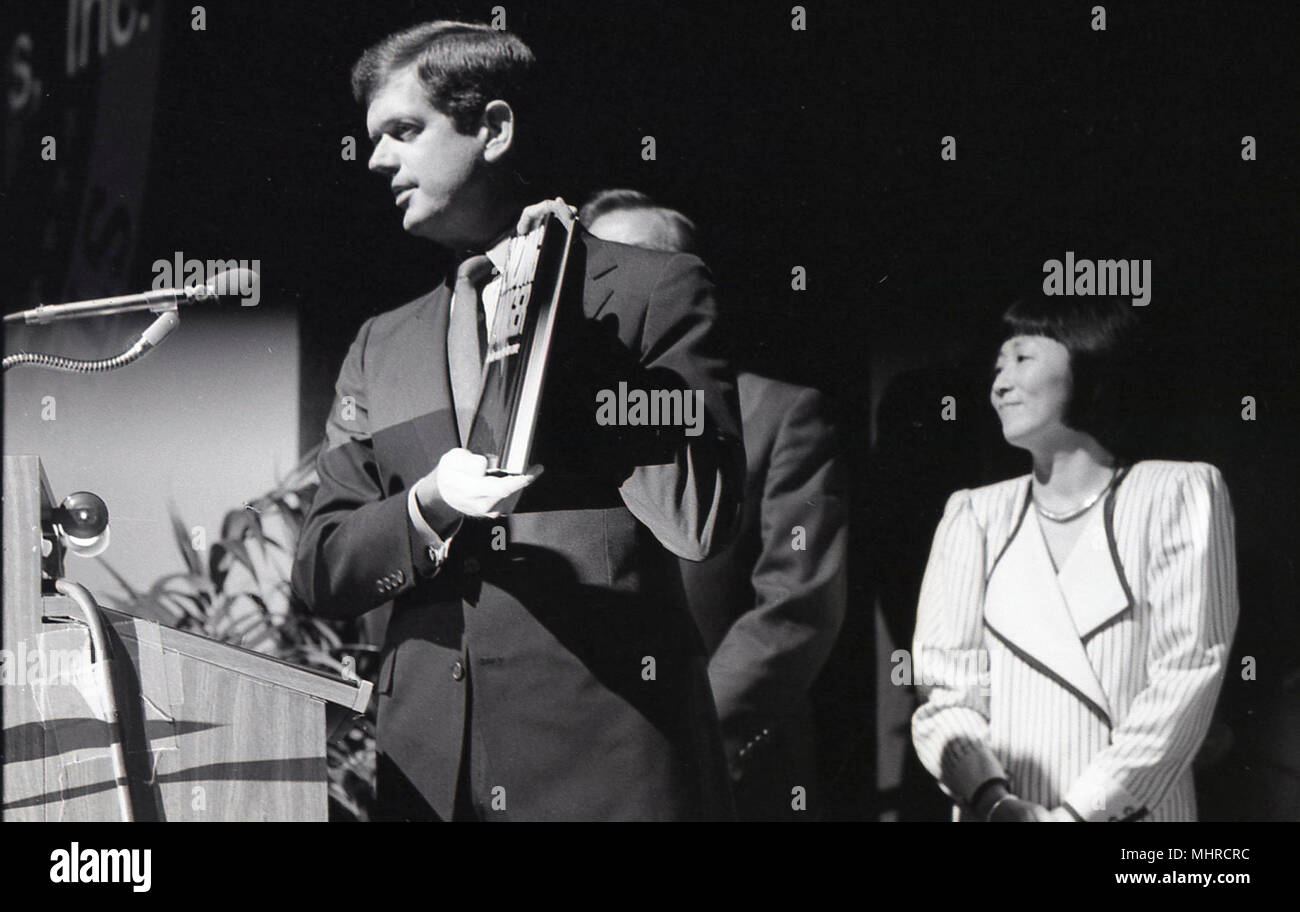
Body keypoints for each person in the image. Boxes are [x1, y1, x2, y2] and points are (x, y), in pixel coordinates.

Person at [291, 22, 745, 821]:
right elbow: (324, 567)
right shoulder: (381, 344)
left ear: (493, 128)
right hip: (429, 774)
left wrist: (575, 351)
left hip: (606, 756)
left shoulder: (648, 291)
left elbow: (700, 517)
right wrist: (426, 506)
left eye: (404, 131)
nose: (376, 160)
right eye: (372, 139)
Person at [910, 296, 1239, 821]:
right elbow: (947, 693)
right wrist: (994, 802)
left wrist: (1075, 815)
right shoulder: (974, 515)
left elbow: (1187, 675)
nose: (999, 384)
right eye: (997, 367)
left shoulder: (1177, 492)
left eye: (1021, 359)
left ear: (1088, 361)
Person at [582, 189, 848, 820]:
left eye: (638, 260)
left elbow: (797, 603)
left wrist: (695, 730)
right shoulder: (551, 430)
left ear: (685, 277)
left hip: (720, 768)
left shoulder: (778, 414)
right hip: (578, 762)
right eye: (600, 263)